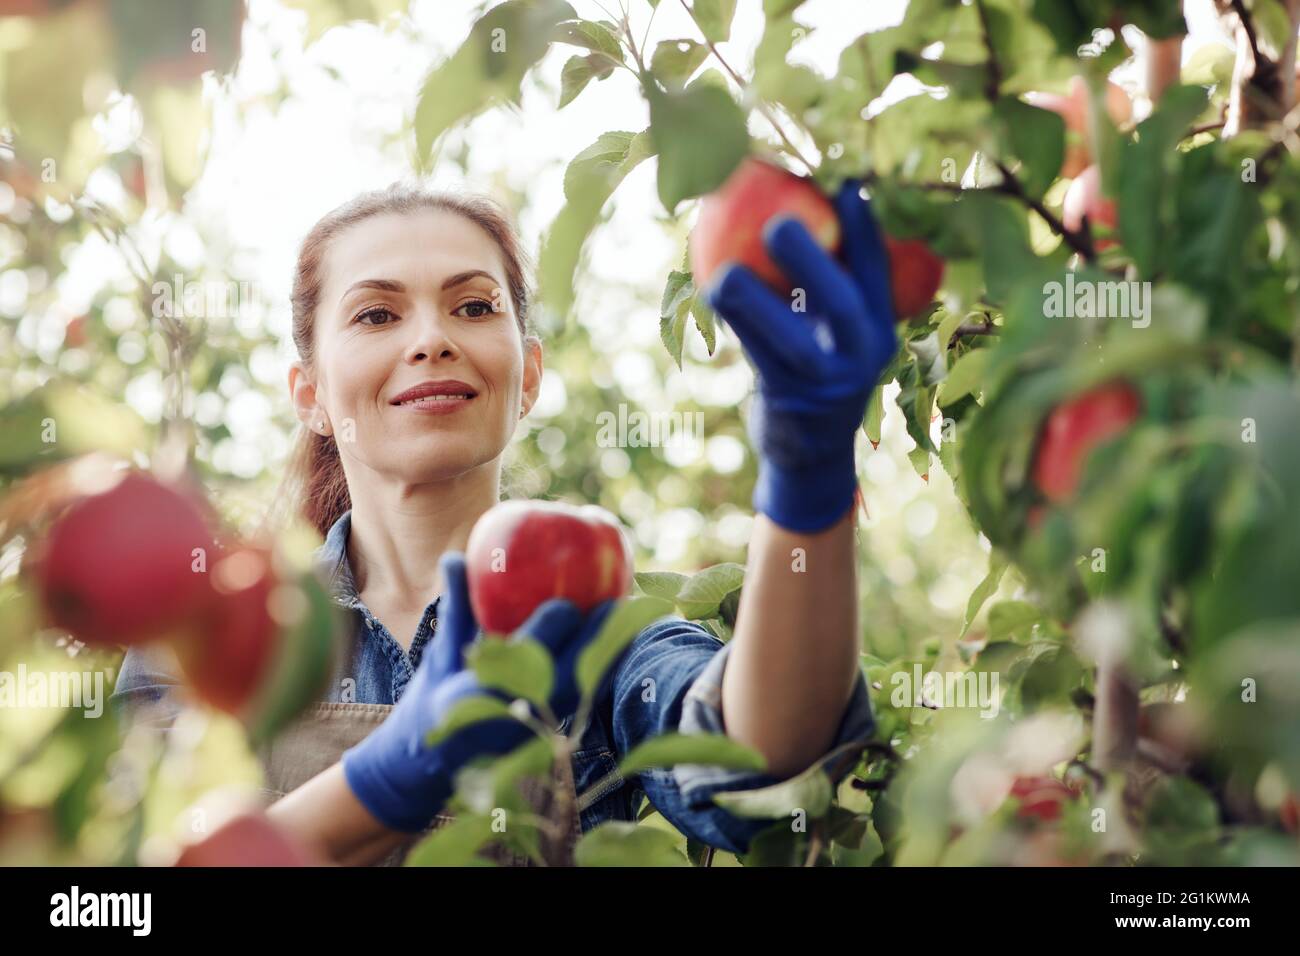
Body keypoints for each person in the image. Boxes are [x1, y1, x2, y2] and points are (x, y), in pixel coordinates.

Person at [111, 178, 899, 866]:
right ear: (309, 392)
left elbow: (762, 761)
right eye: (378, 315)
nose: (432, 340)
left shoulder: (590, 630)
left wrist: (806, 476)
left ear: (527, 376)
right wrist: (386, 783)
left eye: (474, 306)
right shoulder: (214, 632)